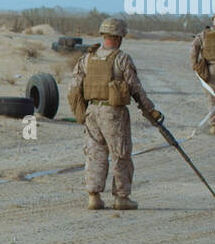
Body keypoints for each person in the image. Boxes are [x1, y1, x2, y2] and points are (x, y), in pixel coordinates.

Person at [68, 17, 164, 210]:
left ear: (104, 35)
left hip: (92, 112)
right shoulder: (121, 59)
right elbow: (136, 89)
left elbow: (73, 89)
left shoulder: (86, 58)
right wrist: (150, 110)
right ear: (119, 37)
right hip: (113, 113)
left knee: (95, 154)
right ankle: (121, 198)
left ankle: (93, 196)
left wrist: (81, 114)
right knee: (121, 154)